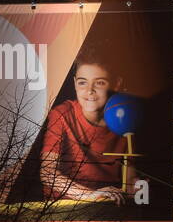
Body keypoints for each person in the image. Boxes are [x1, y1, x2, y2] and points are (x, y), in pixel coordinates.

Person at [39, 49, 135, 203]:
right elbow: (47, 173)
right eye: (82, 82)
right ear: (75, 84)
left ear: (116, 84)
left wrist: (136, 187)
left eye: (99, 83)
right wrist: (90, 195)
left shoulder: (126, 118)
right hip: (63, 208)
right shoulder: (62, 114)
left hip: (108, 208)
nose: (89, 91)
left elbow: (130, 182)